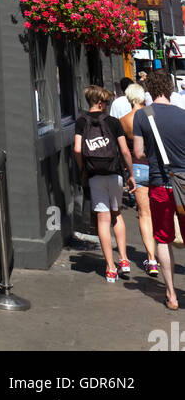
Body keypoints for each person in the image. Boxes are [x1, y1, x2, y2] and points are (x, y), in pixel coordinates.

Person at [132, 70, 185, 311]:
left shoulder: (144, 116)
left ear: (149, 91)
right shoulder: (183, 115)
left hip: (160, 184)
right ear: (171, 89)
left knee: (162, 239)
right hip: (184, 184)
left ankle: (172, 295)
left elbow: (138, 153)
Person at [74, 85, 135, 284]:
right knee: (116, 215)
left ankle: (110, 268)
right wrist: (131, 173)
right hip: (114, 172)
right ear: (100, 103)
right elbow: (125, 151)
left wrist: (83, 169)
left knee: (102, 219)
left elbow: (76, 149)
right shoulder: (113, 122)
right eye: (106, 102)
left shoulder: (81, 122)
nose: (108, 106)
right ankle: (124, 260)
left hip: (94, 174)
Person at [119, 83, 159, 278]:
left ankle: (151, 259)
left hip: (137, 168)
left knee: (144, 214)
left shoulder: (123, 120)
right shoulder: (152, 114)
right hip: (156, 167)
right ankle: (162, 254)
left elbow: (124, 149)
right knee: (160, 212)